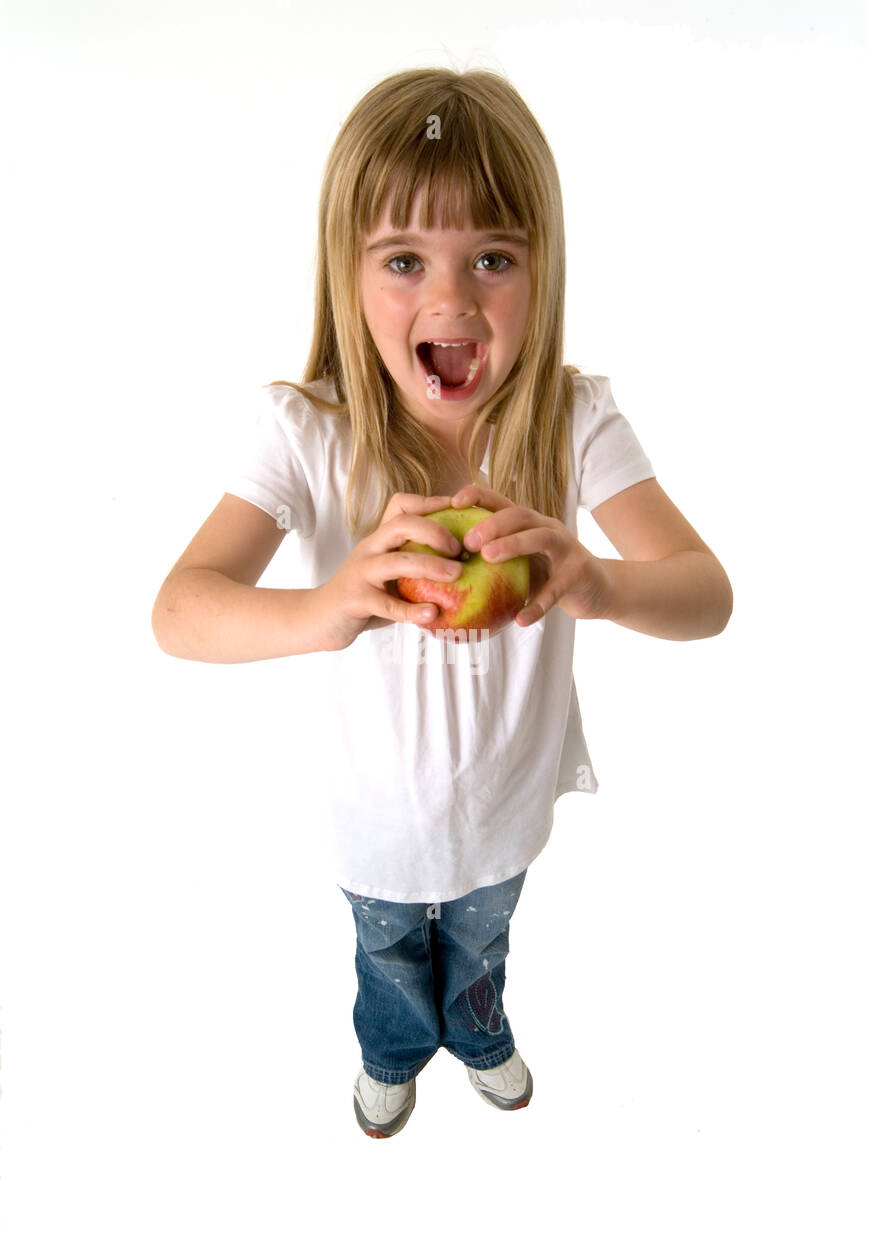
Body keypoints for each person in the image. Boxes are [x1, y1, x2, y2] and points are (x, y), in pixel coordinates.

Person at [151, 67, 733, 1139]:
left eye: (493, 259)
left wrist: (596, 581)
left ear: (541, 272)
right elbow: (180, 609)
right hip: (365, 823)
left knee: (479, 945)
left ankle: (474, 1030)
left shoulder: (570, 423)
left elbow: (704, 595)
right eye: (405, 259)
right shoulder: (307, 432)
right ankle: (389, 1049)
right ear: (345, 273)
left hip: (503, 811)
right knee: (384, 955)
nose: (452, 301)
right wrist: (327, 604)